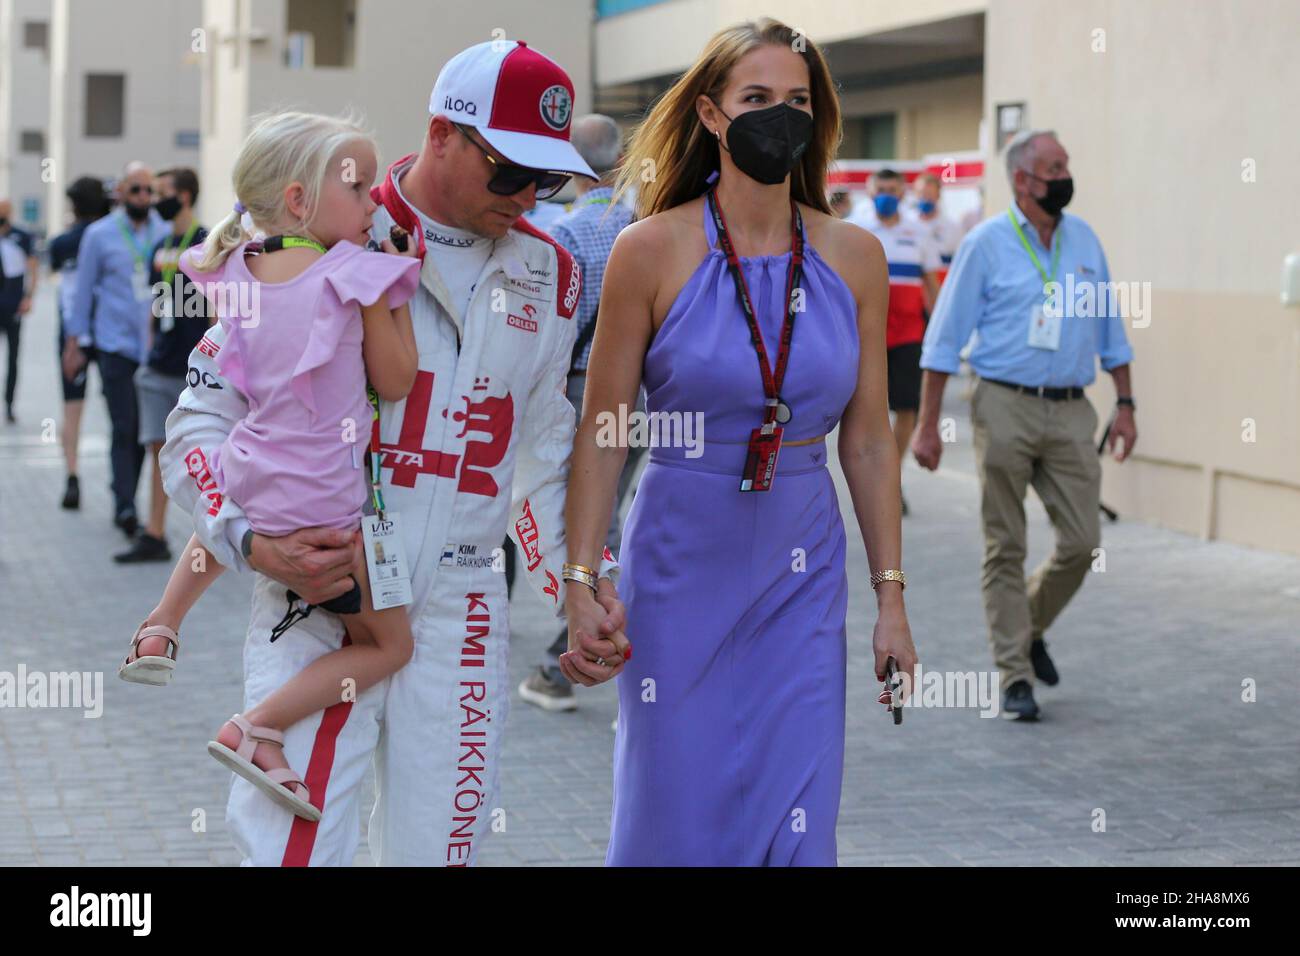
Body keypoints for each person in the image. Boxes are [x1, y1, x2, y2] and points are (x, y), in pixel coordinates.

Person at [158, 41, 629, 866]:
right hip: (324, 588)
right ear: (443, 134)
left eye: (545, 180)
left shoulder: (552, 272)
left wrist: (578, 589)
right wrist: (250, 540)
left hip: (462, 603)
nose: (525, 196)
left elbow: (542, 457)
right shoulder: (324, 228)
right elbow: (197, 422)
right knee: (291, 851)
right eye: (509, 170)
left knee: (440, 852)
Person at [567, 18, 918, 866]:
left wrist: (893, 600)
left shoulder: (854, 256)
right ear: (712, 115)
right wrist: (581, 578)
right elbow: (605, 428)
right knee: (674, 807)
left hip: (803, 560)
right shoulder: (647, 250)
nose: (781, 117)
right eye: (757, 98)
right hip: (681, 553)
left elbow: (868, 443)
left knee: (796, 804)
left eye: (798, 101)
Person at [120, 112, 423, 822]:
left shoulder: (230, 269)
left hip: (252, 471)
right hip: (324, 507)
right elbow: (399, 377)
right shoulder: (355, 273)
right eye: (359, 187)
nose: (376, 200)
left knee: (231, 517)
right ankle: (258, 725)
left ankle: (162, 621)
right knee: (390, 644)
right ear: (299, 200)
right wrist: (393, 285)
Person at [912, 129, 1138, 720]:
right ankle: (1014, 673)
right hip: (1003, 403)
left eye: (1066, 164)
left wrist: (1127, 406)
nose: (1066, 175)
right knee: (1004, 544)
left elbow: (1111, 331)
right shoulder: (985, 244)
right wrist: (928, 425)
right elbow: (944, 341)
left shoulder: (1084, 240)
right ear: (1022, 179)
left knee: (1083, 543)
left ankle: (1027, 626)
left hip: (1070, 409)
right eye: (1055, 166)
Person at [518, 113, 642, 713]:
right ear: (618, 163)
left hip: (576, 394)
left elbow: (547, 331)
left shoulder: (563, 237)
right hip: (643, 399)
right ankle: (592, 627)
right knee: (611, 511)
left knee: (580, 520)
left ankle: (570, 651)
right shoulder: (644, 229)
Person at [63, 163, 170, 538]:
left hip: (154, 350)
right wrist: (74, 341)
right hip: (115, 346)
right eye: (136, 189)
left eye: (148, 191)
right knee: (124, 426)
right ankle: (125, 504)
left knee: (149, 432)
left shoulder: (165, 231)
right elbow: (82, 291)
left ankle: (137, 503)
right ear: (122, 193)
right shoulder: (99, 235)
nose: (143, 197)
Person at [115, 167, 212, 562]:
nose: (155, 200)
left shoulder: (208, 243)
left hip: (195, 370)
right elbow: (158, 307)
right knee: (159, 445)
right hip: (160, 366)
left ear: (185, 195)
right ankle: (155, 532)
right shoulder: (160, 246)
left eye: (163, 192)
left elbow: (215, 310)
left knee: (205, 452)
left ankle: (212, 535)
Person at [851, 168, 940, 516]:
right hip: (866, 334)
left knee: (906, 409)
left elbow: (930, 283)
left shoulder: (919, 232)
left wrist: (939, 326)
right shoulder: (856, 228)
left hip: (908, 335)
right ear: (870, 192)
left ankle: (892, 474)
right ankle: (870, 475)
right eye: (880, 189)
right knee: (868, 409)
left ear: (903, 193)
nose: (886, 194)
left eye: (892, 189)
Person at [49, 177, 112, 508]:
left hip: (71, 334)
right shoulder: (108, 235)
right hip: (106, 333)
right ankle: (120, 484)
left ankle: (72, 474)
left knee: (71, 409)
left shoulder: (61, 243)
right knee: (116, 409)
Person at [0, 199, 38, 424]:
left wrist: (28, 297)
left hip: (12, 304)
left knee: (13, 357)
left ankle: (10, 403)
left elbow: (32, 269)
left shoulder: (21, 237)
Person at [909, 172, 962, 286]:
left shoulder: (952, 227)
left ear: (938, 195)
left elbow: (960, 262)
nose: (925, 199)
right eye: (921, 194)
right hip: (914, 290)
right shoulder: (906, 225)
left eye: (929, 194)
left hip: (942, 287)